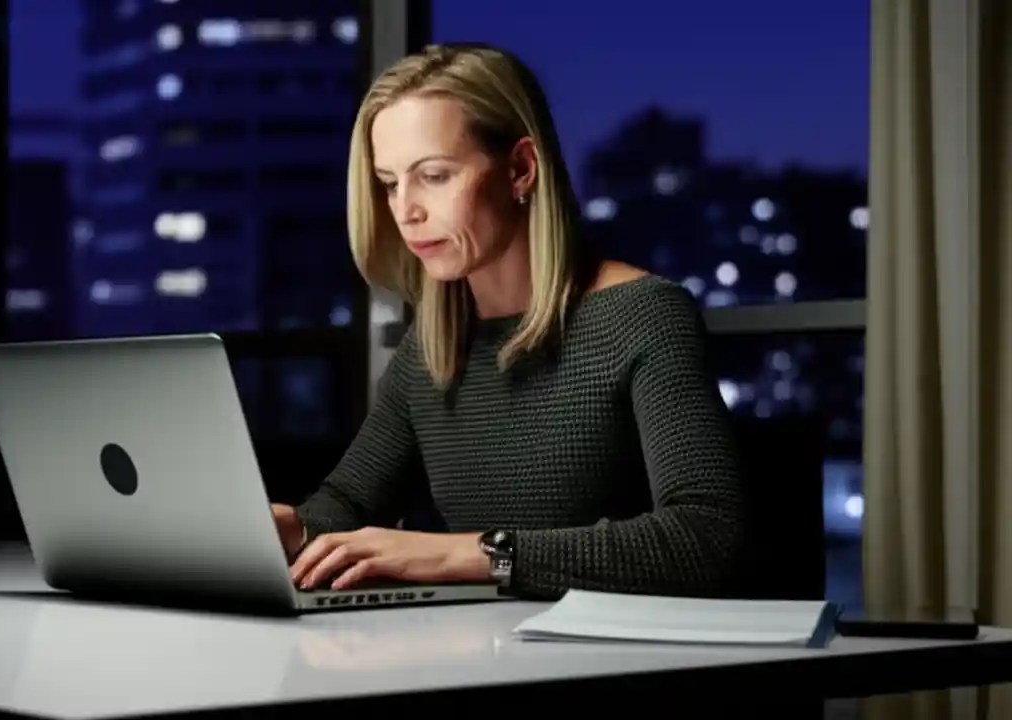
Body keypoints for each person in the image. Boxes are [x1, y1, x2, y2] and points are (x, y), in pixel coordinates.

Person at [271, 42, 747, 601]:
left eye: (434, 175)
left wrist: (464, 554)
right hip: (482, 644)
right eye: (390, 182)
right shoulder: (432, 345)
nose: (406, 210)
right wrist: (287, 529)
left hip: (617, 650)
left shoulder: (643, 316)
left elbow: (705, 536)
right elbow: (347, 506)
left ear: (520, 169)